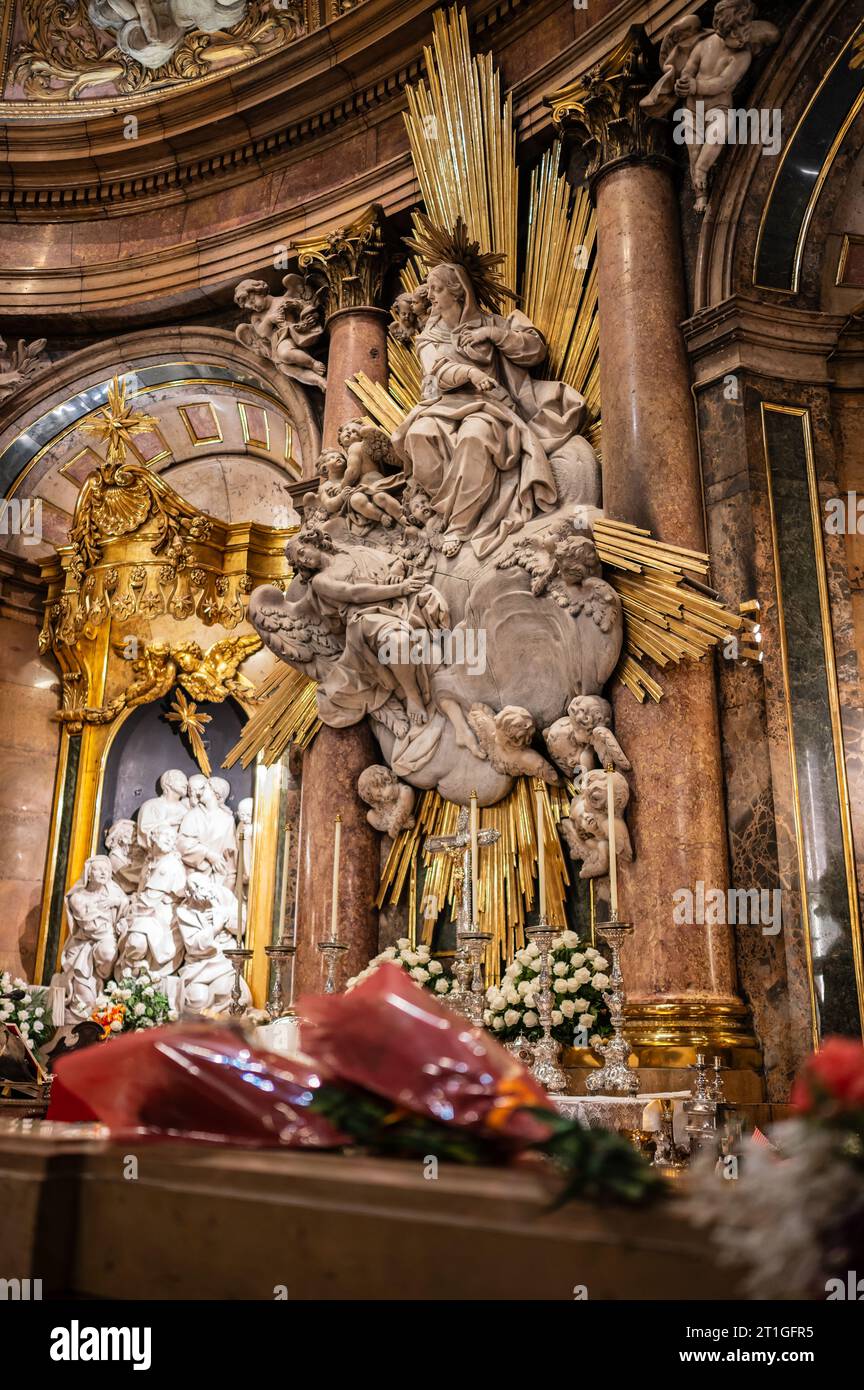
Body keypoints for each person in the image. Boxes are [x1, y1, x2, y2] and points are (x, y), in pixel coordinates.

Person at [390, 260, 597, 559]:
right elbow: (437, 371)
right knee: (418, 434)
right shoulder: (428, 338)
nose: (429, 296)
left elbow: (534, 350)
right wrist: (470, 374)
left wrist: (493, 336)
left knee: (475, 436)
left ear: (458, 291)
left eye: (436, 289)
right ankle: (448, 509)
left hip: (491, 409)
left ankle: (460, 525)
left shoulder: (497, 323)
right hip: (444, 407)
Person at [55, 857, 127, 1021]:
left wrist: (116, 902)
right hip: (82, 948)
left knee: (108, 952)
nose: (104, 872)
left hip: (107, 941)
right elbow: (92, 927)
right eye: (99, 869)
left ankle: (104, 981)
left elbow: (127, 906)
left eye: (107, 870)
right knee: (84, 1003)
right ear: (89, 872)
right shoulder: (78, 898)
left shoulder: (114, 892)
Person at [136, 769, 189, 849]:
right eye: (180, 779)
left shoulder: (185, 811)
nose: (186, 783)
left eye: (186, 780)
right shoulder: (151, 806)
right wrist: (168, 822)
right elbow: (143, 833)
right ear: (167, 782)